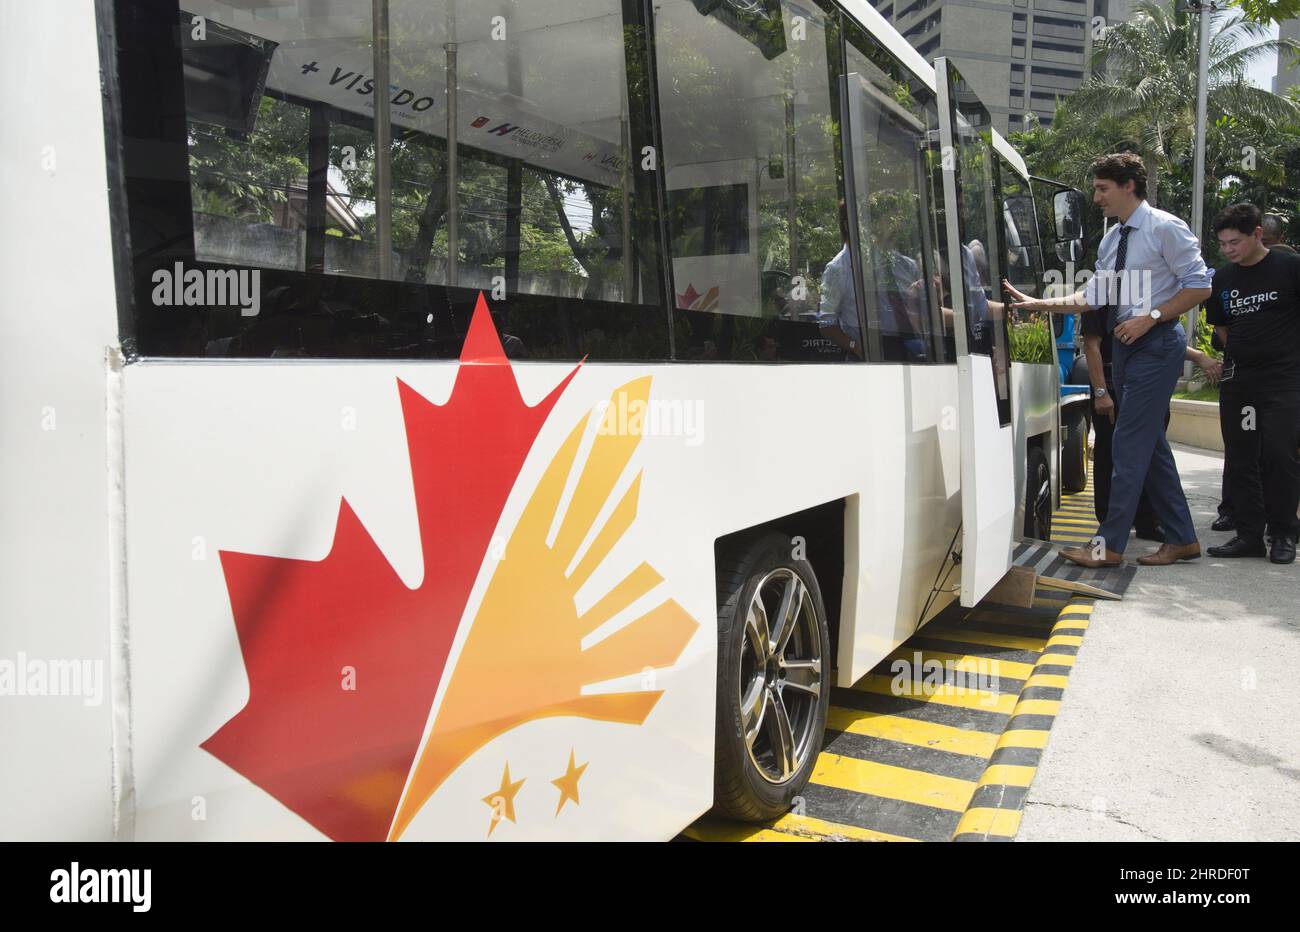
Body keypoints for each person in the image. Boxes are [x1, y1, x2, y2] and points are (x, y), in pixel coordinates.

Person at [1003, 152, 1211, 567]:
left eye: (1102, 189)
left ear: (1128, 186)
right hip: (1129, 350)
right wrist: (1039, 303)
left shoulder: (1166, 228)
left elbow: (1200, 286)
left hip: (1156, 345)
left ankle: (1109, 547)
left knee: (1128, 449)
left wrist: (1149, 318)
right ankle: (1183, 539)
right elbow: (1091, 297)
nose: (1096, 197)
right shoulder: (1113, 239)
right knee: (1149, 448)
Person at [1203, 202, 1300, 564]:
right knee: (1242, 459)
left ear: (1258, 234)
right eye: (1223, 244)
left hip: (1284, 383)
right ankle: (1248, 535)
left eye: (1235, 242)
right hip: (1241, 384)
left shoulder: (1290, 267)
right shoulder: (1224, 279)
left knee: (1278, 455)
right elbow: (1222, 327)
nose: (1228, 250)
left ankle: (1283, 533)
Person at [1082, 307, 1222, 540]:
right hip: (1112, 385)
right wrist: (1101, 393)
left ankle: (1151, 523)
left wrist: (1198, 356)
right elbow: (1091, 345)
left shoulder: (1151, 293)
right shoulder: (1104, 289)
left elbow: (1160, 339)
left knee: (1153, 454)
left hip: (1148, 384)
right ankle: (1109, 526)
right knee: (1112, 453)